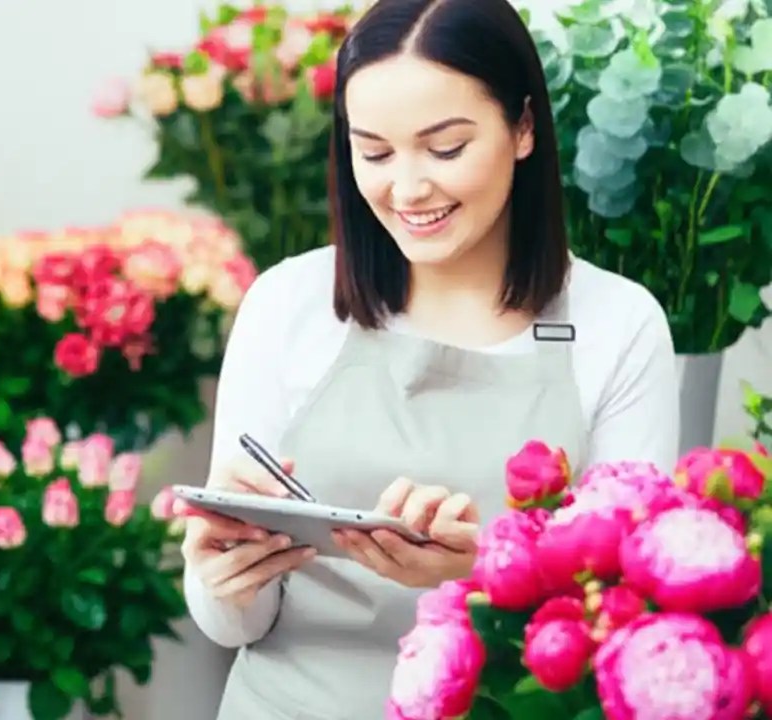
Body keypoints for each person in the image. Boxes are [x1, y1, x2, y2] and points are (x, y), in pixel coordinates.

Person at [180, 0, 680, 717]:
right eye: (375, 153)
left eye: (445, 149)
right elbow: (236, 627)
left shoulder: (619, 325)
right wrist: (224, 577)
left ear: (524, 127)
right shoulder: (287, 304)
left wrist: (484, 573)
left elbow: (630, 619)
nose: (408, 189)